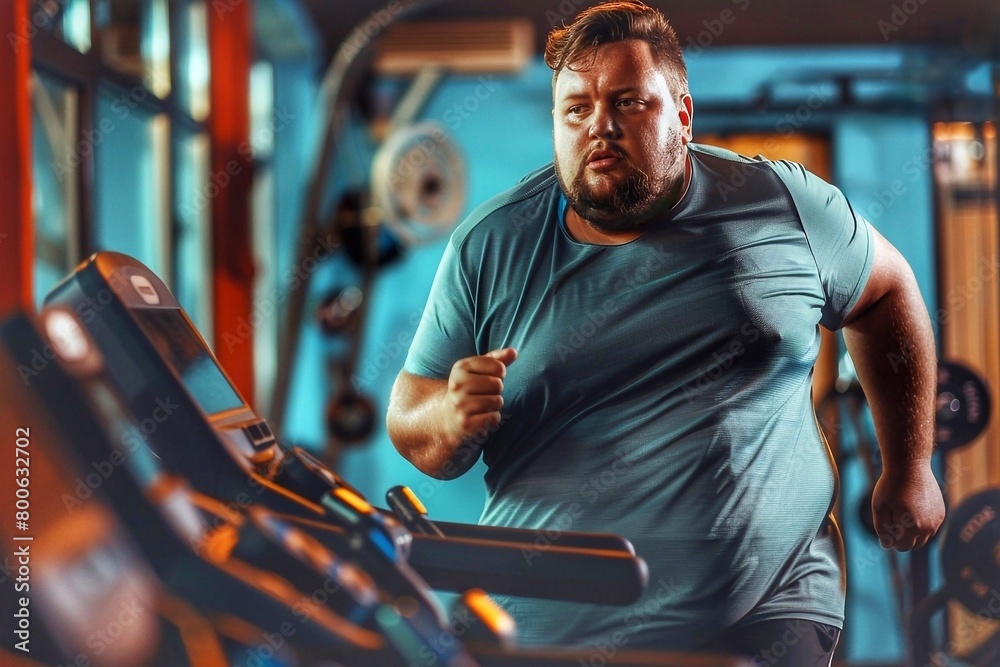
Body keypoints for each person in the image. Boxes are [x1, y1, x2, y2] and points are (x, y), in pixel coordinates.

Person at [386, 1, 946, 664]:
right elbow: (409, 411)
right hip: (548, 633)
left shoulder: (781, 204)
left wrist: (909, 467)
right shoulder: (490, 243)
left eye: (629, 103)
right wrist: (449, 418)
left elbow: (885, 290)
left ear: (682, 114)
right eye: (576, 109)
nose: (600, 126)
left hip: (765, 610)